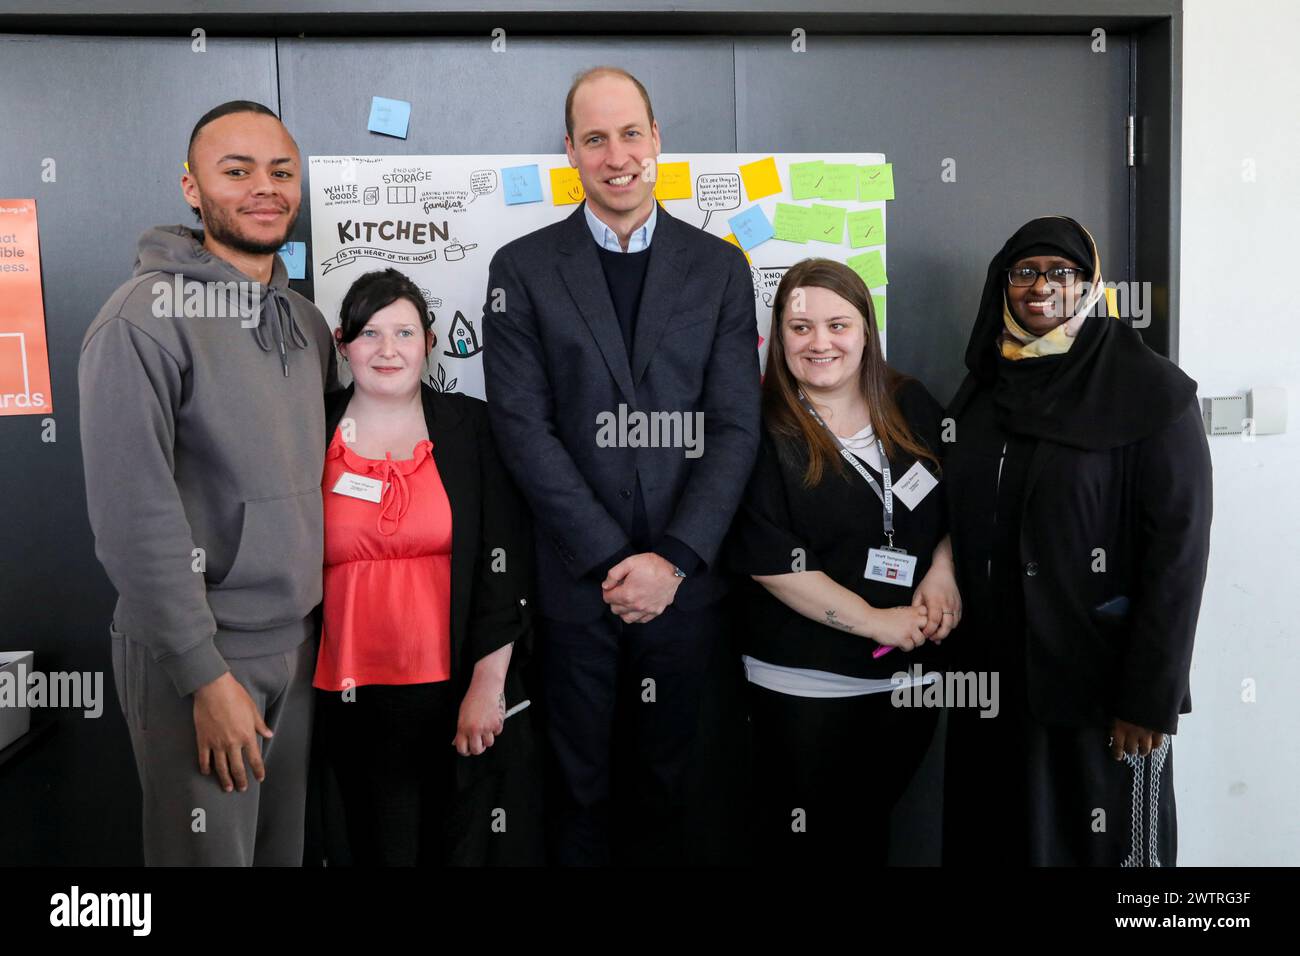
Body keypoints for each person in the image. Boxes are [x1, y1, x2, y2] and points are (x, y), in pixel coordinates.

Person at [482, 66, 761, 865]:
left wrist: (671, 561)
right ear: (570, 151)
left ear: (657, 140)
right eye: (596, 138)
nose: (617, 154)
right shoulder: (523, 269)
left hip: (689, 590)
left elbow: (737, 427)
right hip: (577, 592)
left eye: (631, 133)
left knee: (679, 790)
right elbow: (523, 430)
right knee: (578, 794)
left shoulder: (719, 269)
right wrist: (614, 561)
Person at [79, 100, 337, 865]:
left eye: (281, 171)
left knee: (278, 856)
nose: (265, 187)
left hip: (296, 646)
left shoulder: (306, 322)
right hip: (199, 657)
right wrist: (202, 676)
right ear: (191, 188)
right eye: (237, 171)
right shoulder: (140, 322)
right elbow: (134, 520)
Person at [941, 215, 1212, 867]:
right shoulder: (982, 391)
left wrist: (1150, 699)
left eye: (1062, 273)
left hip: (1100, 690)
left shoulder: (1153, 393)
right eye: (1026, 272)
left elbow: (1179, 555)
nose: (1042, 287)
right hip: (995, 679)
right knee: (999, 840)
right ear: (1003, 286)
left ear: (1091, 285)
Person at [728, 258, 958, 864]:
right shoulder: (756, 426)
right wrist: (876, 621)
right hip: (805, 686)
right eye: (801, 328)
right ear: (778, 335)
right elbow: (768, 559)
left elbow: (962, 505)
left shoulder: (914, 405)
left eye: (839, 324)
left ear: (866, 330)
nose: (821, 342)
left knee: (868, 839)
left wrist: (944, 570)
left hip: (911, 682)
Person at [315, 268, 541, 866]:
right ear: (342, 343)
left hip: (454, 689)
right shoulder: (309, 428)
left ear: (429, 342)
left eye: (404, 333)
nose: (387, 350)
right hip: (344, 696)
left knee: (460, 846)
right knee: (371, 845)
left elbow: (505, 566)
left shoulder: (474, 428)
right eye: (369, 334)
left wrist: (488, 687)